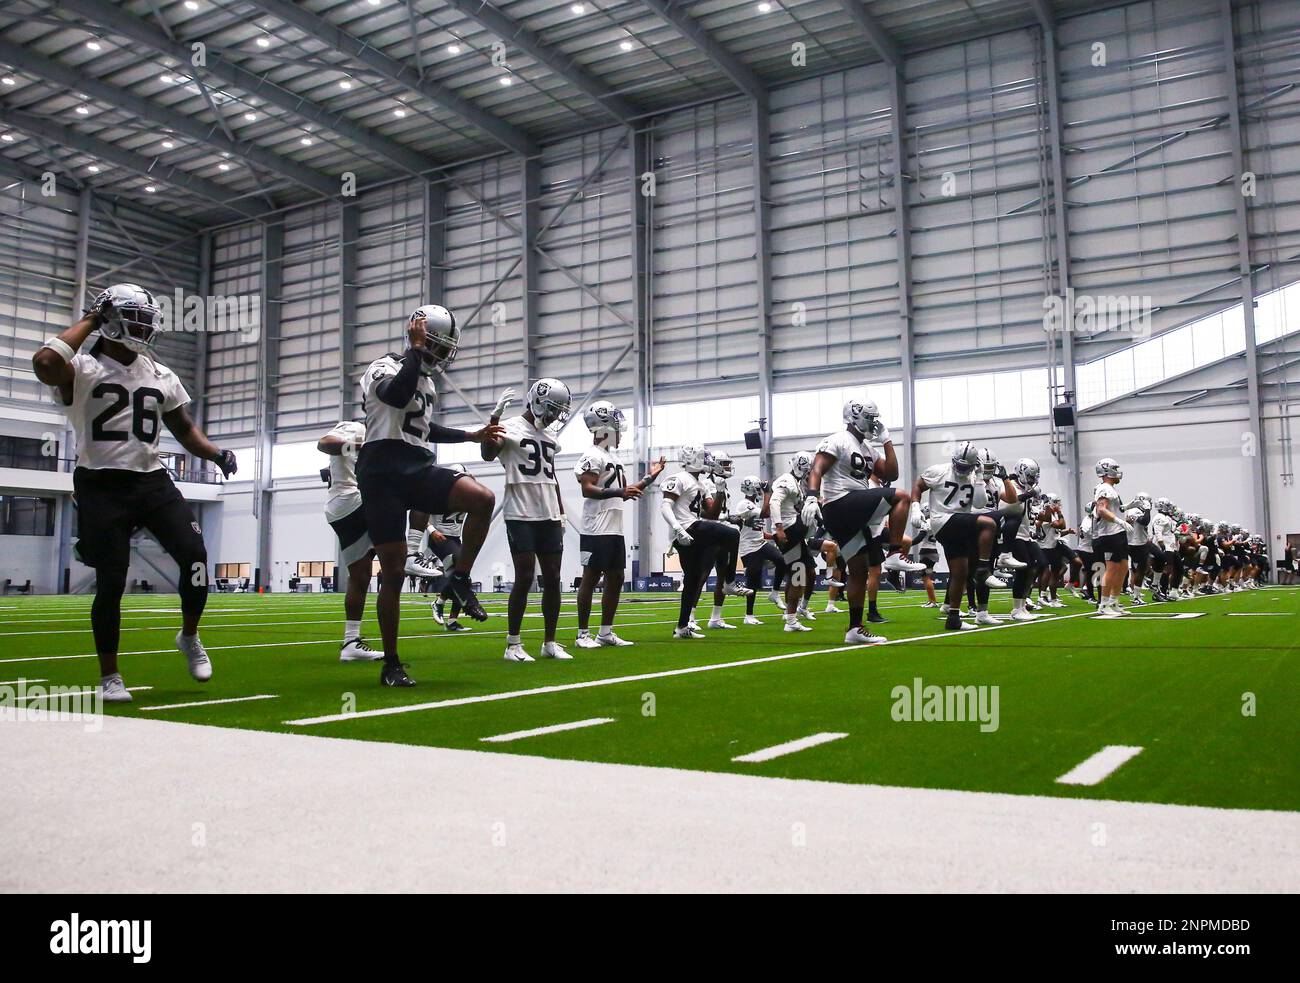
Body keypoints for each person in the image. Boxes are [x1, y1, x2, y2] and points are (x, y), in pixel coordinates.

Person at [31, 283, 238, 702]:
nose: (144, 327)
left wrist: (216, 454)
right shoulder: (83, 369)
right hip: (101, 483)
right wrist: (92, 316)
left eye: (147, 319)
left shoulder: (161, 374)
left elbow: (184, 429)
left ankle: (190, 635)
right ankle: (110, 675)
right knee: (112, 581)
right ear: (111, 319)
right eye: (135, 317)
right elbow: (47, 360)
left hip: (152, 480)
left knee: (195, 558)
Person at [356, 305, 505, 686]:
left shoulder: (424, 378)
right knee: (392, 570)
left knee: (482, 499)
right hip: (383, 469)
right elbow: (395, 396)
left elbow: (423, 427)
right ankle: (391, 663)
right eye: (435, 345)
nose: (439, 354)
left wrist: (470, 436)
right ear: (418, 336)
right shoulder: (385, 367)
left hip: (417, 465)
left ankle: (460, 578)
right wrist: (415, 350)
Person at [805, 398, 922, 644]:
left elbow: (891, 473)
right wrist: (811, 497)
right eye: (870, 418)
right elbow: (817, 469)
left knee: (858, 571)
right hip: (840, 503)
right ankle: (895, 552)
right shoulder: (837, 439)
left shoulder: (867, 448)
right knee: (901, 496)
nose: (874, 423)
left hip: (854, 511)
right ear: (854, 416)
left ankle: (854, 629)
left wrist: (887, 440)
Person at [480, 378, 574, 662]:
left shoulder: (549, 437)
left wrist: (561, 510)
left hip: (547, 512)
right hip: (520, 512)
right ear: (537, 401)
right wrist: (495, 417)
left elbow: (551, 476)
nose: (556, 415)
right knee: (524, 577)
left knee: (554, 578)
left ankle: (550, 642)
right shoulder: (509, 426)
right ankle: (513, 643)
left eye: (559, 410)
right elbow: (486, 454)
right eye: (553, 409)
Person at [572, 400, 665, 648]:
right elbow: (588, 489)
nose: (620, 434)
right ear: (603, 428)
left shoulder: (611, 457)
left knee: (615, 577)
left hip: (614, 527)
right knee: (590, 578)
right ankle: (582, 634)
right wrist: (618, 493)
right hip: (595, 526)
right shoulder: (592, 455)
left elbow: (626, 490)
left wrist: (650, 477)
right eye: (616, 429)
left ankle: (605, 632)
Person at [912, 441, 1009, 631]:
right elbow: (918, 486)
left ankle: (953, 617)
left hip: (957, 526)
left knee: (960, 573)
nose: (962, 470)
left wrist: (980, 477)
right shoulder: (939, 471)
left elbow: (980, 504)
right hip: (942, 520)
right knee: (989, 523)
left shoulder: (974, 477)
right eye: (959, 465)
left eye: (967, 467)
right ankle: (983, 568)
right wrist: (915, 508)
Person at [661, 444, 745, 639]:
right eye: (703, 457)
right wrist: (677, 528)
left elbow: (712, 514)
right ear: (694, 459)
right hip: (686, 528)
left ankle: (682, 628)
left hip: (694, 529)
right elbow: (665, 506)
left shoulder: (701, 484)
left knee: (692, 580)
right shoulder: (680, 478)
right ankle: (729, 583)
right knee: (732, 534)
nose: (708, 461)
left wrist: (721, 491)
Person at [317, 420, 382, 661]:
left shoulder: (391, 436)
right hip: (350, 499)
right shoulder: (356, 428)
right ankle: (411, 552)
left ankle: (350, 642)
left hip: (346, 508)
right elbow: (325, 444)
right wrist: (360, 446)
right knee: (407, 494)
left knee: (360, 575)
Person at [769, 451, 818, 632]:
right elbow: (774, 502)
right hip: (789, 530)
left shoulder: (796, 482)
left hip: (793, 531)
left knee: (800, 573)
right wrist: (779, 529)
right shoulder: (787, 480)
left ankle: (790, 617)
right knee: (799, 573)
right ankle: (790, 620)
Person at [733, 475, 784, 625]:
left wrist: (774, 537)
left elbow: (758, 532)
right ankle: (748, 615)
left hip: (760, 543)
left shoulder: (753, 505)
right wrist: (767, 493)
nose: (760, 489)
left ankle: (774, 593)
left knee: (781, 560)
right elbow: (766, 513)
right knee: (753, 581)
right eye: (758, 487)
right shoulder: (744, 504)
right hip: (748, 548)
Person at [428, 464, 472, 632]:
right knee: (461, 569)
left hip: (455, 539)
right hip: (440, 538)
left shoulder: (467, 495)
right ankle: (438, 603)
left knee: (464, 579)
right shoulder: (437, 493)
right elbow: (419, 514)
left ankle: (452, 621)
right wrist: (432, 530)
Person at [1090, 457, 1131, 617]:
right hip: (1110, 534)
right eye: (1114, 468)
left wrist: (1130, 506)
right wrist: (1118, 521)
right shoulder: (1104, 488)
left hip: (1117, 533)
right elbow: (1101, 509)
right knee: (1112, 569)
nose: (1117, 471)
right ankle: (1103, 604)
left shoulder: (1111, 488)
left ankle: (1114, 601)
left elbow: (1115, 508)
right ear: (1107, 470)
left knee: (1123, 567)